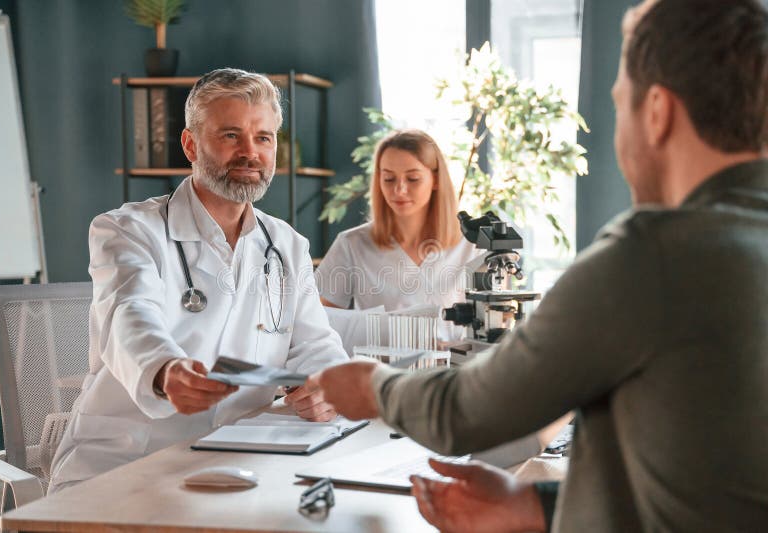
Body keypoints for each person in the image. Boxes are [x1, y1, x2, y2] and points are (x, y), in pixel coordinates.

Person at [316, 0, 768, 531]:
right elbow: (712, 473)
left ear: (657, 113)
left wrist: (374, 387)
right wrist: (539, 506)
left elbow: (466, 412)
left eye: (618, 105)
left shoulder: (652, 254)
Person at [48, 69, 347, 493]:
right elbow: (129, 314)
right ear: (190, 144)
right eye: (230, 135)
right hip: (127, 463)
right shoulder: (128, 230)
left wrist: (325, 385)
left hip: (243, 458)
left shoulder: (286, 246)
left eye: (263, 137)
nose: (250, 152)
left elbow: (317, 345)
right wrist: (165, 369)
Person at [315, 129, 482, 341]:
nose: (399, 190)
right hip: (381, 371)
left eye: (412, 179)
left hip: (454, 371)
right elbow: (317, 324)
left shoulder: (473, 245)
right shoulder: (352, 244)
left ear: (436, 180)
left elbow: (498, 321)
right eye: (389, 179)